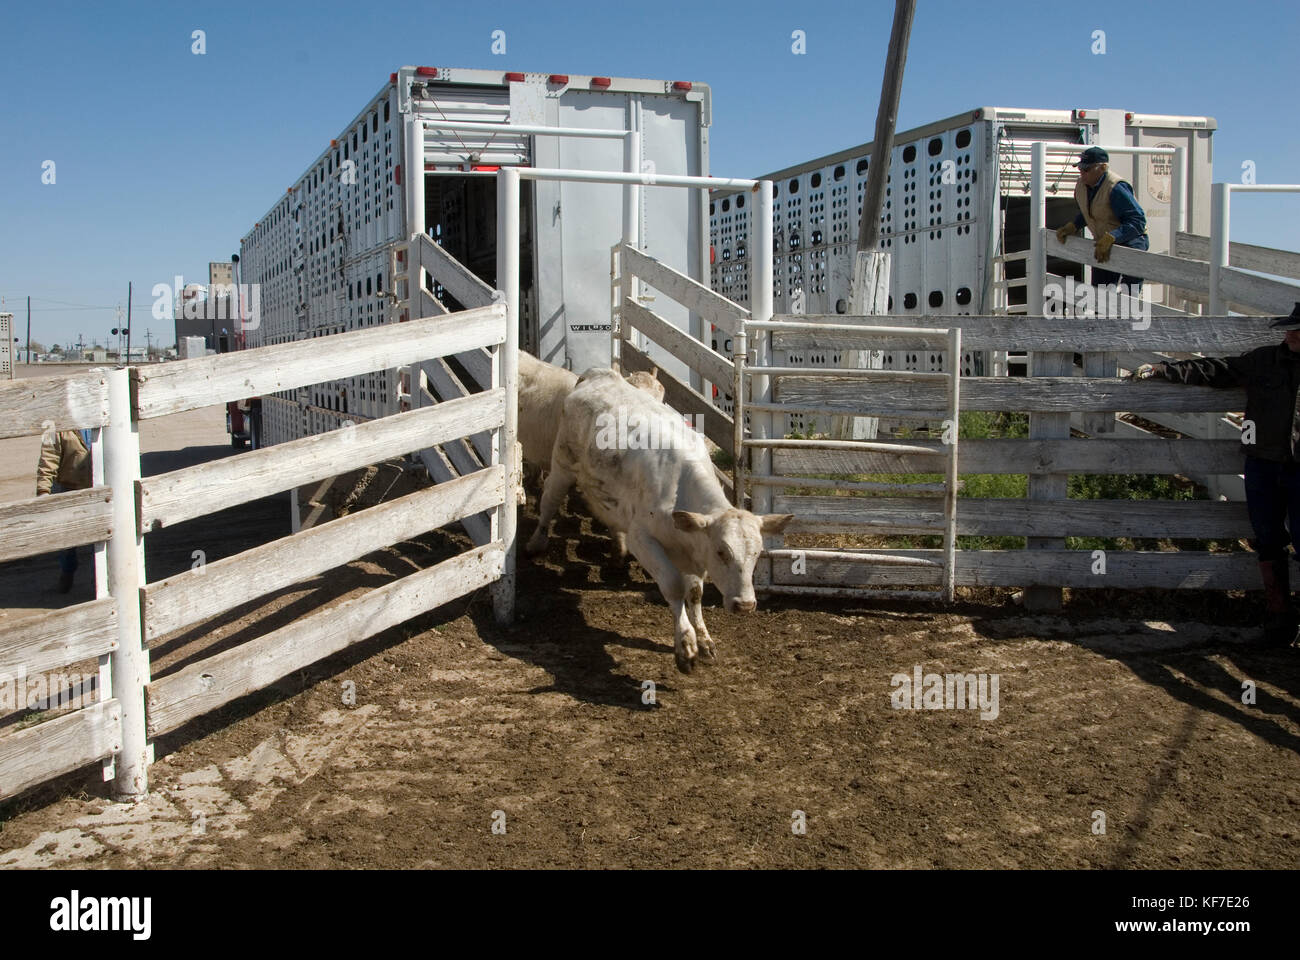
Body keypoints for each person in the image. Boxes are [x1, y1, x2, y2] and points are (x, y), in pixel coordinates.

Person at [1131, 302, 1300, 648]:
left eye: (1297, 329)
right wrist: (1165, 369)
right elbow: (1217, 369)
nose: (1290, 334)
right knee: (1267, 538)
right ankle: (1280, 618)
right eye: (1290, 328)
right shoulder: (1265, 360)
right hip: (1264, 465)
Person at [1055, 146, 1150, 294]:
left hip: (1131, 243)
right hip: (1104, 243)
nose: (1082, 173)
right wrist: (1074, 225)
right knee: (1101, 295)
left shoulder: (1116, 187)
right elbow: (1090, 212)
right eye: (1080, 169)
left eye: (1086, 170)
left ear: (1103, 168)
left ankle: (1126, 317)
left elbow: (1137, 221)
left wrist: (1113, 237)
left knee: (1128, 296)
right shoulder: (1082, 186)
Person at [35, 427, 93, 593]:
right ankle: (67, 572)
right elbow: (48, 457)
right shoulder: (52, 423)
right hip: (70, 488)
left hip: (100, 487)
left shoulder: (100, 413)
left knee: (102, 538)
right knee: (67, 541)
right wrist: (43, 491)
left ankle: (98, 583)